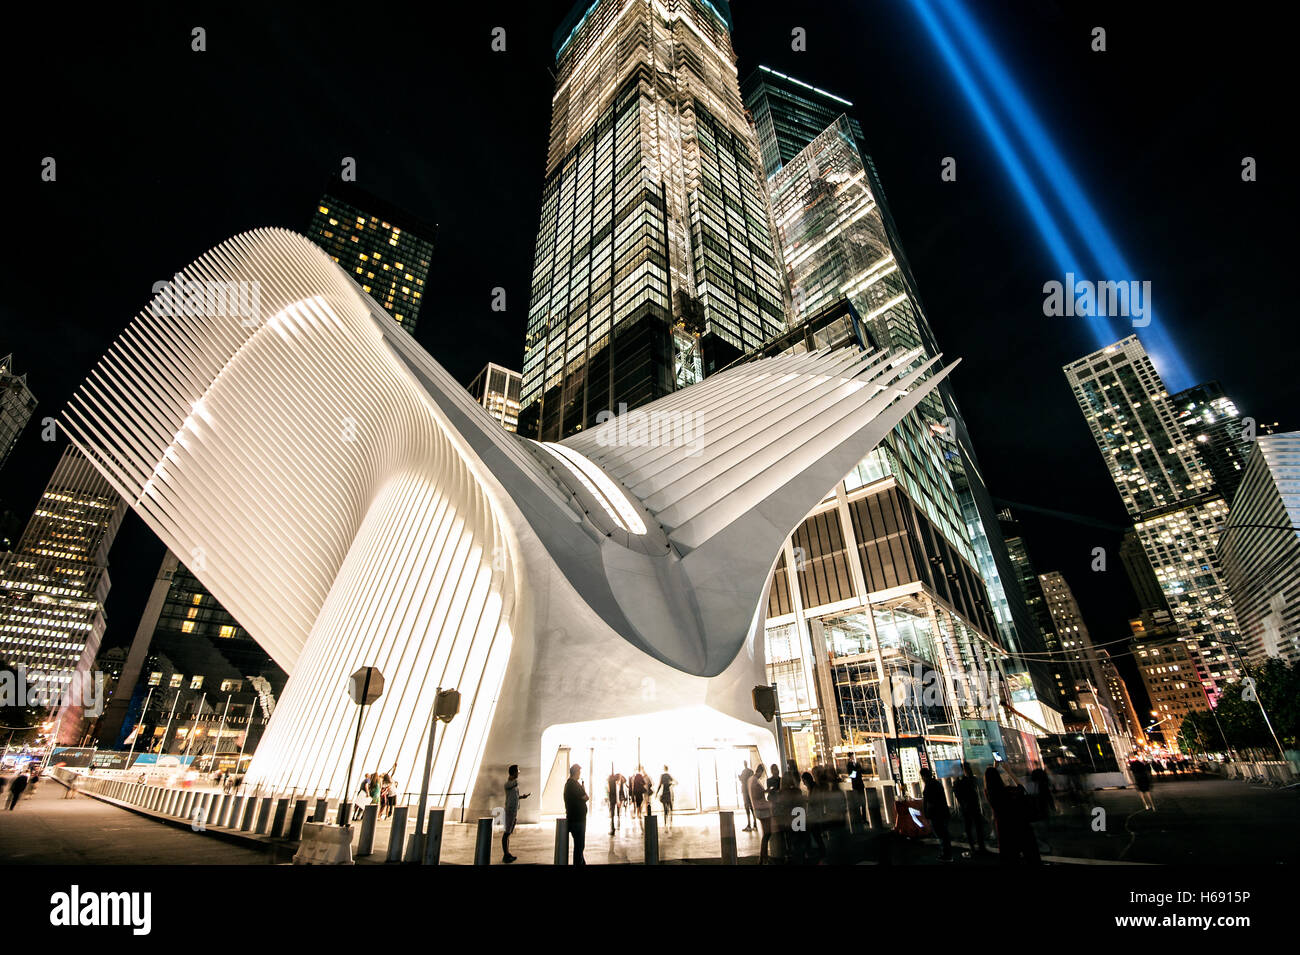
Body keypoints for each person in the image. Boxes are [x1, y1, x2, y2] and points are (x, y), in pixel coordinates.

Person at [984, 765, 1039, 864]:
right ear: (999, 777)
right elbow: (1021, 788)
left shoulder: (989, 794)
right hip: (1020, 826)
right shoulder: (1008, 791)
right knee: (1031, 855)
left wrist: (994, 767)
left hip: (1004, 829)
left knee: (1010, 858)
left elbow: (990, 781)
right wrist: (1009, 771)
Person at [953, 762, 987, 856]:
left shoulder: (960, 781)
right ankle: (981, 847)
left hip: (966, 807)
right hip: (972, 806)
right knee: (977, 826)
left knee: (970, 827)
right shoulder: (970, 779)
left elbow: (957, 794)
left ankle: (973, 848)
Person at [920, 768, 952, 861]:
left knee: (941, 833)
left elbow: (929, 800)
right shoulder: (936, 783)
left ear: (924, 776)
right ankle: (947, 853)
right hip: (942, 811)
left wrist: (927, 812)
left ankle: (946, 854)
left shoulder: (929, 785)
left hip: (936, 813)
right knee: (944, 833)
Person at [502, 764, 529, 863]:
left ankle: (507, 854)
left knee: (508, 833)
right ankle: (505, 855)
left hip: (514, 811)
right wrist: (514, 779)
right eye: (517, 771)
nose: (519, 772)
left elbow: (514, 796)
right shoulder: (509, 783)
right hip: (509, 811)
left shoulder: (513, 784)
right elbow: (511, 784)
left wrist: (522, 797)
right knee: (506, 833)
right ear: (513, 772)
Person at [563, 764, 589, 864]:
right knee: (579, 845)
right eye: (579, 772)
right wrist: (583, 788)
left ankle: (581, 862)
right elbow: (586, 797)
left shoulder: (569, 784)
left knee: (579, 845)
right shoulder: (574, 785)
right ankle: (579, 863)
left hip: (575, 818)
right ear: (576, 772)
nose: (580, 774)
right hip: (578, 820)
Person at [748, 768, 773, 864]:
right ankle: (763, 857)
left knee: (766, 834)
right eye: (761, 773)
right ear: (759, 771)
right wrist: (766, 790)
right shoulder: (754, 781)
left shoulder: (751, 780)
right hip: (762, 809)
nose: (761, 775)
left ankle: (763, 857)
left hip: (759, 808)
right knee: (767, 833)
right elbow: (757, 794)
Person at [739, 763, 756, 832]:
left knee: (748, 808)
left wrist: (740, 778)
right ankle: (754, 823)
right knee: (751, 808)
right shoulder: (750, 771)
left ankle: (750, 824)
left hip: (746, 792)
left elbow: (742, 780)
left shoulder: (744, 772)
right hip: (749, 791)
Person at [607, 770, 624, 835]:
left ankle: (614, 827)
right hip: (614, 799)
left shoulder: (618, 782)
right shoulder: (615, 782)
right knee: (613, 814)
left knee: (614, 814)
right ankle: (613, 828)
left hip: (615, 799)